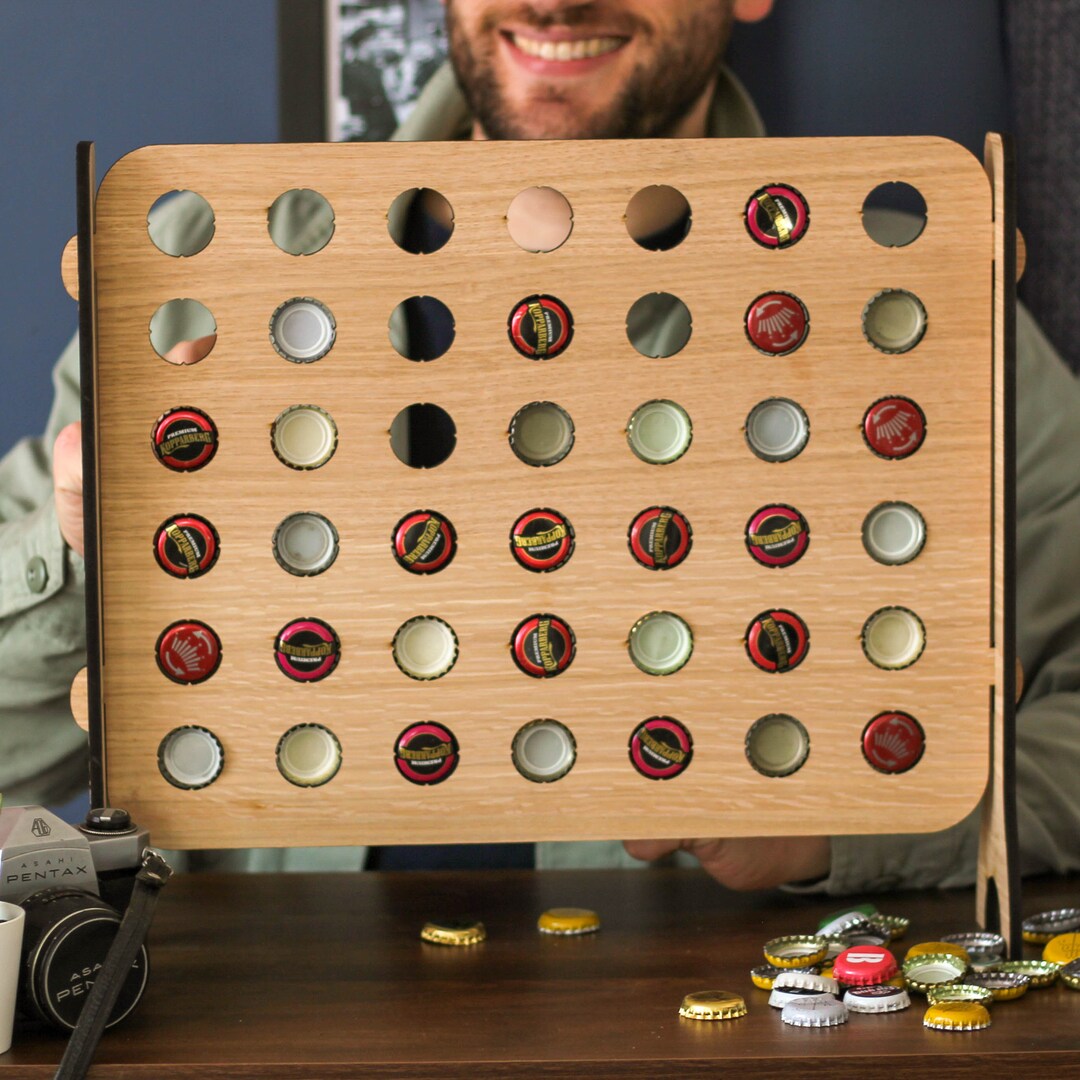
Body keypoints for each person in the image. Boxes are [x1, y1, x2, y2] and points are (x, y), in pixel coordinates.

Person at [4, 0, 1080, 893]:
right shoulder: (200, 267)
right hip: (286, 1015)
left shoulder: (910, 305)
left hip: (698, 1020)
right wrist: (90, 542)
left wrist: (842, 837)